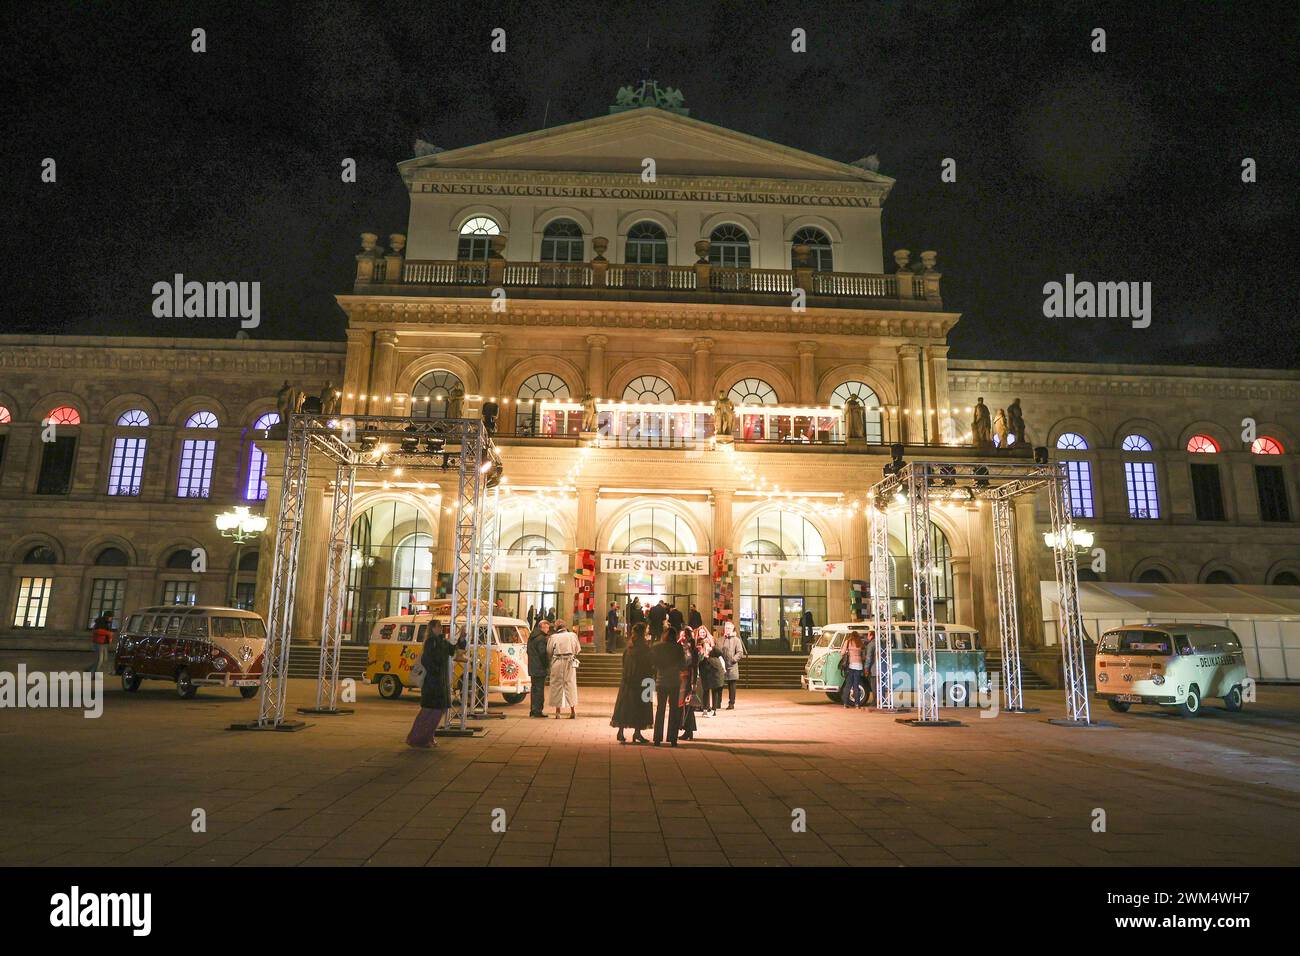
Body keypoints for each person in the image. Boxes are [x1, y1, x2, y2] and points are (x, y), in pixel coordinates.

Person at [407, 622, 465, 748]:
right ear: (433, 628)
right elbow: (426, 660)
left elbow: (453, 650)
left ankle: (428, 736)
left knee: (439, 710)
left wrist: (462, 638)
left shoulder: (442, 641)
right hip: (432, 682)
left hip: (441, 682)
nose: (440, 628)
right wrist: (436, 672)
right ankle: (417, 738)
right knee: (429, 711)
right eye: (438, 626)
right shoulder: (430, 642)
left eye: (440, 626)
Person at [611, 623, 653, 744]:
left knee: (626, 706)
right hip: (644, 681)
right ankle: (638, 732)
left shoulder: (629, 649)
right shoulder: (645, 649)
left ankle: (621, 731)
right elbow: (649, 664)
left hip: (628, 681)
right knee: (642, 706)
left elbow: (624, 664)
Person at [651, 625, 686, 746]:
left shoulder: (657, 647)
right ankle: (672, 738)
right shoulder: (678, 648)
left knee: (660, 709)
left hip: (661, 681)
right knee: (674, 710)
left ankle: (657, 738)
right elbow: (683, 665)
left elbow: (653, 664)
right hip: (674, 682)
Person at [546, 621, 581, 718]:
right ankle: (573, 711)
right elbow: (578, 649)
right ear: (565, 627)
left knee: (557, 684)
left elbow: (549, 650)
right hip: (569, 661)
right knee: (570, 684)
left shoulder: (553, 637)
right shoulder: (572, 635)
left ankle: (558, 712)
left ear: (556, 628)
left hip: (557, 661)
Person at [678, 626, 701, 740]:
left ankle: (688, 730)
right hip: (684, 679)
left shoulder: (689, 648)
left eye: (683, 635)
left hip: (687, 679)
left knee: (687, 706)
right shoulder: (685, 647)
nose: (681, 637)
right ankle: (688, 730)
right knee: (686, 706)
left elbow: (692, 665)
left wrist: (693, 682)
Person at [718, 621, 747, 709]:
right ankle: (717, 703)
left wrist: (733, 660)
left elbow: (740, 652)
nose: (727, 630)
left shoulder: (737, 640)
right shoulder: (720, 639)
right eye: (726, 628)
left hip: (732, 666)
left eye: (729, 628)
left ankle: (731, 703)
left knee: (732, 686)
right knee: (719, 685)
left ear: (732, 629)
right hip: (721, 666)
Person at [526, 618, 551, 718]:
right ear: (543, 627)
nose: (548, 630)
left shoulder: (531, 637)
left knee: (534, 689)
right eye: (547, 628)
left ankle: (533, 710)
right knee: (539, 690)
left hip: (532, 667)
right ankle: (537, 711)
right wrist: (546, 665)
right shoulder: (541, 639)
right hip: (539, 668)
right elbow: (543, 654)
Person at [699, 629, 726, 715]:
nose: (707, 645)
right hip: (704, 671)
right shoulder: (700, 648)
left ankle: (713, 710)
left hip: (714, 671)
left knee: (714, 690)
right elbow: (698, 659)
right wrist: (703, 652)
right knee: (705, 690)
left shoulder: (713, 648)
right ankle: (705, 709)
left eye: (704, 632)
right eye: (701, 632)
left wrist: (712, 646)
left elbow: (720, 653)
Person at [841, 631, 866, 708]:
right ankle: (857, 704)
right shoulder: (860, 642)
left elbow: (842, 653)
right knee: (856, 685)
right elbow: (864, 656)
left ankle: (845, 704)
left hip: (851, 665)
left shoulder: (848, 642)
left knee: (848, 685)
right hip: (859, 666)